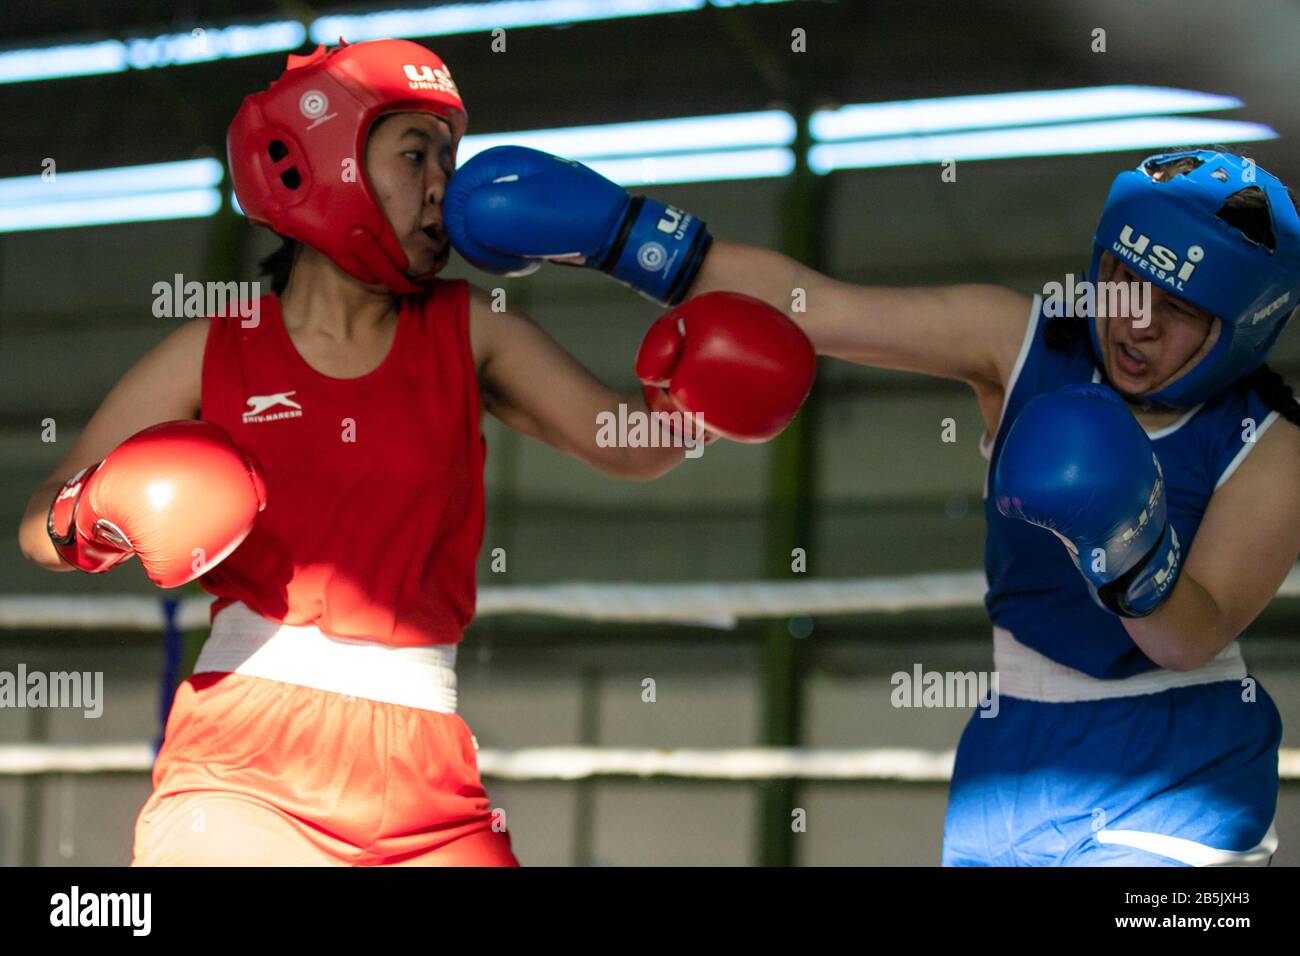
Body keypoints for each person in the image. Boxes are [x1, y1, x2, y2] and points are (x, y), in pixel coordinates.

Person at [16, 38, 815, 866]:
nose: (447, 184)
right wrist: (96, 511)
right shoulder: (215, 349)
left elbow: (627, 443)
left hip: (426, 769)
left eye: (451, 155)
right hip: (244, 757)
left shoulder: (471, 329)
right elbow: (39, 523)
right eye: (415, 154)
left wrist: (693, 402)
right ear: (320, 163)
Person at [444, 144, 1300, 865]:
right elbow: (816, 306)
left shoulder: (1273, 442)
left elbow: (1192, 633)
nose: (1137, 324)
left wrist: (1125, 535)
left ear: (1248, 325)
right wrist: (624, 235)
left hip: (1182, 763)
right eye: (1125, 280)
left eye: (1179, 309)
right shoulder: (1021, 340)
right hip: (1013, 754)